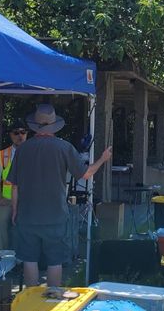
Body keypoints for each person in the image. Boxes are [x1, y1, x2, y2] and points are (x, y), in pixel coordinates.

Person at [7, 103, 112, 287]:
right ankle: (52, 300)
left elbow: (14, 186)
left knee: (29, 260)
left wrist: (15, 210)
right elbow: (86, 174)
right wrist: (102, 159)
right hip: (56, 215)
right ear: (54, 125)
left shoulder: (22, 149)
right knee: (54, 261)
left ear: (35, 125)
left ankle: (31, 304)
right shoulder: (64, 148)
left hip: (27, 214)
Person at [0, 124, 28, 250]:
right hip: (7, 200)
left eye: (23, 132)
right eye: (16, 132)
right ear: (10, 135)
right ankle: (3, 256)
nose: (20, 135)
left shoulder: (34, 151)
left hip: (27, 201)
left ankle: (26, 258)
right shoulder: (3, 154)